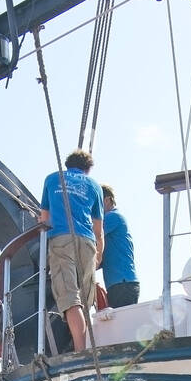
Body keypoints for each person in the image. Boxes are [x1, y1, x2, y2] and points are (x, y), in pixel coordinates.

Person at [38, 149, 104, 352]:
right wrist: (98, 255)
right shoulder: (95, 186)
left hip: (61, 239)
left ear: (67, 164)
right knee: (84, 300)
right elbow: (98, 228)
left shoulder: (51, 179)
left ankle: (80, 353)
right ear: (87, 169)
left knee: (70, 298)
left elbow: (44, 218)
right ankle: (86, 348)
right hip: (87, 242)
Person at [100, 185, 139, 307]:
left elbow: (91, 235)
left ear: (107, 200)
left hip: (122, 284)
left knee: (123, 322)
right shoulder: (114, 219)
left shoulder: (112, 217)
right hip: (120, 283)